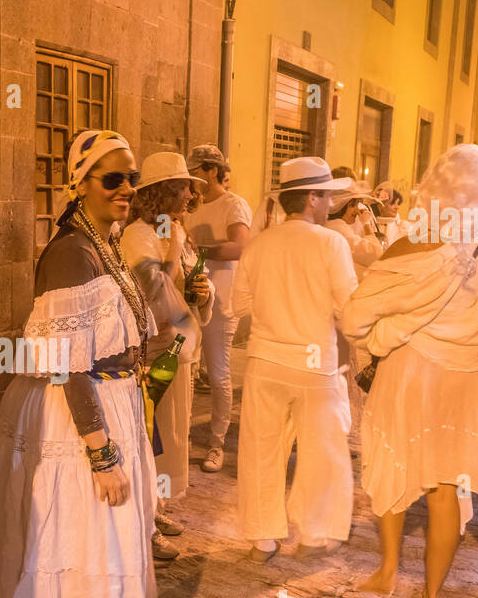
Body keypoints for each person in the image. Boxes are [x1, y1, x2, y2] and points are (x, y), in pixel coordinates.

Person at [0, 129, 157, 598]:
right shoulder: (71, 253)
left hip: (115, 406)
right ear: (80, 183)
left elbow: (123, 346)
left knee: (102, 547)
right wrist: (100, 450)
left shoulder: (106, 249)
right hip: (82, 420)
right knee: (84, 547)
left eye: (131, 178)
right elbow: (63, 361)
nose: (126, 190)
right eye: (112, 179)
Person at [341, 145, 478, 598]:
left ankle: (386, 571)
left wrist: (390, 329)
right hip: (467, 378)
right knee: (449, 490)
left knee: (393, 464)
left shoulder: (414, 242)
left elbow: (356, 316)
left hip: (411, 373)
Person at [233, 156, 357, 563]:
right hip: (315, 365)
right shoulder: (331, 243)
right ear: (310, 199)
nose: (330, 204)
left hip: (265, 363)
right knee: (320, 454)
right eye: (326, 196)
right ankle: (314, 535)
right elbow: (349, 307)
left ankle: (262, 540)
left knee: (260, 453)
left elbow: (239, 305)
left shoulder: (259, 244)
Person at [121, 152, 214, 561]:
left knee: (172, 436)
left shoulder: (175, 230)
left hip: (181, 349)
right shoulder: (138, 233)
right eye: (184, 186)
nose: (192, 193)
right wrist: (182, 291)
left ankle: (155, 508)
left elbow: (184, 281)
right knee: (151, 436)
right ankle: (142, 523)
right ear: (163, 191)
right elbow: (152, 292)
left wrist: (203, 294)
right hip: (158, 351)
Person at [185, 144, 252, 473]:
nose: (191, 178)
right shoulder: (190, 205)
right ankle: (180, 434)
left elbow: (240, 247)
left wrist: (200, 249)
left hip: (222, 302)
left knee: (219, 373)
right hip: (190, 299)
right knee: (188, 370)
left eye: (195, 171)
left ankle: (216, 442)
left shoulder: (233, 204)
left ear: (212, 171)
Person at [325, 189, 385, 280]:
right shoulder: (339, 229)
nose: (357, 210)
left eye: (357, 205)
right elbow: (375, 254)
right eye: (352, 206)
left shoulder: (334, 226)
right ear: (340, 207)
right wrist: (366, 224)